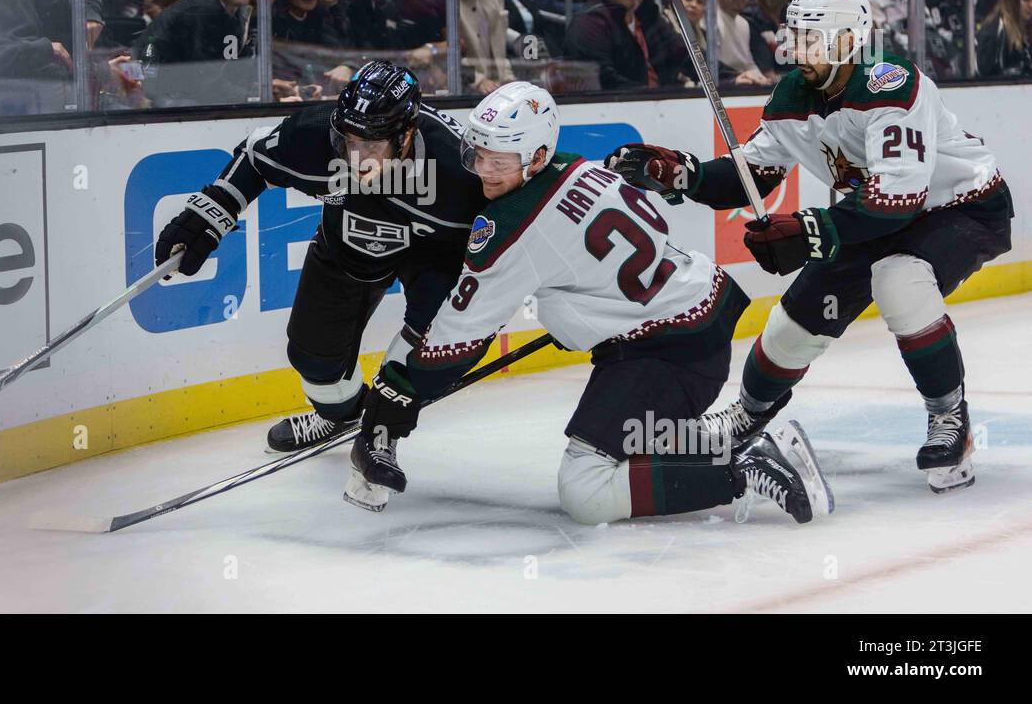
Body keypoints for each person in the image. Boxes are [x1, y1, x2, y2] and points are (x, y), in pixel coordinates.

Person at [347, 81, 833, 523]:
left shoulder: (511, 227)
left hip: (667, 350)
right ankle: (724, 442)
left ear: (535, 158)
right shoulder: (575, 166)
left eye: (500, 161)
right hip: (694, 316)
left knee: (585, 489)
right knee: (631, 444)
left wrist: (396, 392)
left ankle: (744, 467)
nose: (484, 172)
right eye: (478, 156)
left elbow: (451, 349)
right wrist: (580, 315)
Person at [610, 0, 1014, 495]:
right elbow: (751, 175)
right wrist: (682, 174)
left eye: (812, 38)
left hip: (960, 206)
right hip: (870, 216)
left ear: (850, 40)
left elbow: (900, 198)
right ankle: (748, 415)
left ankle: (950, 421)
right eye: (794, 37)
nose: (797, 50)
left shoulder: (891, 85)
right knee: (793, 325)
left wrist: (808, 231)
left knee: (900, 278)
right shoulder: (793, 95)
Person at [151, 61, 488, 455]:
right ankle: (340, 415)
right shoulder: (314, 135)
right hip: (350, 243)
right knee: (312, 359)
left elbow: (508, 226)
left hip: (436, 254)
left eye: (373, 145)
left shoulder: (459, 167)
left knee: (421, 358)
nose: (357, 157)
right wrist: (207, 214)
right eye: (350, 141)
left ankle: (387, 417)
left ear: (407, 134)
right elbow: (256, 158)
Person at [563, 0, 680, 90]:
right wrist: (655, 96)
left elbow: (681, 52)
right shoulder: (588, 24)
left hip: (660, 103)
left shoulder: (648, 15)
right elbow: (605, 80)